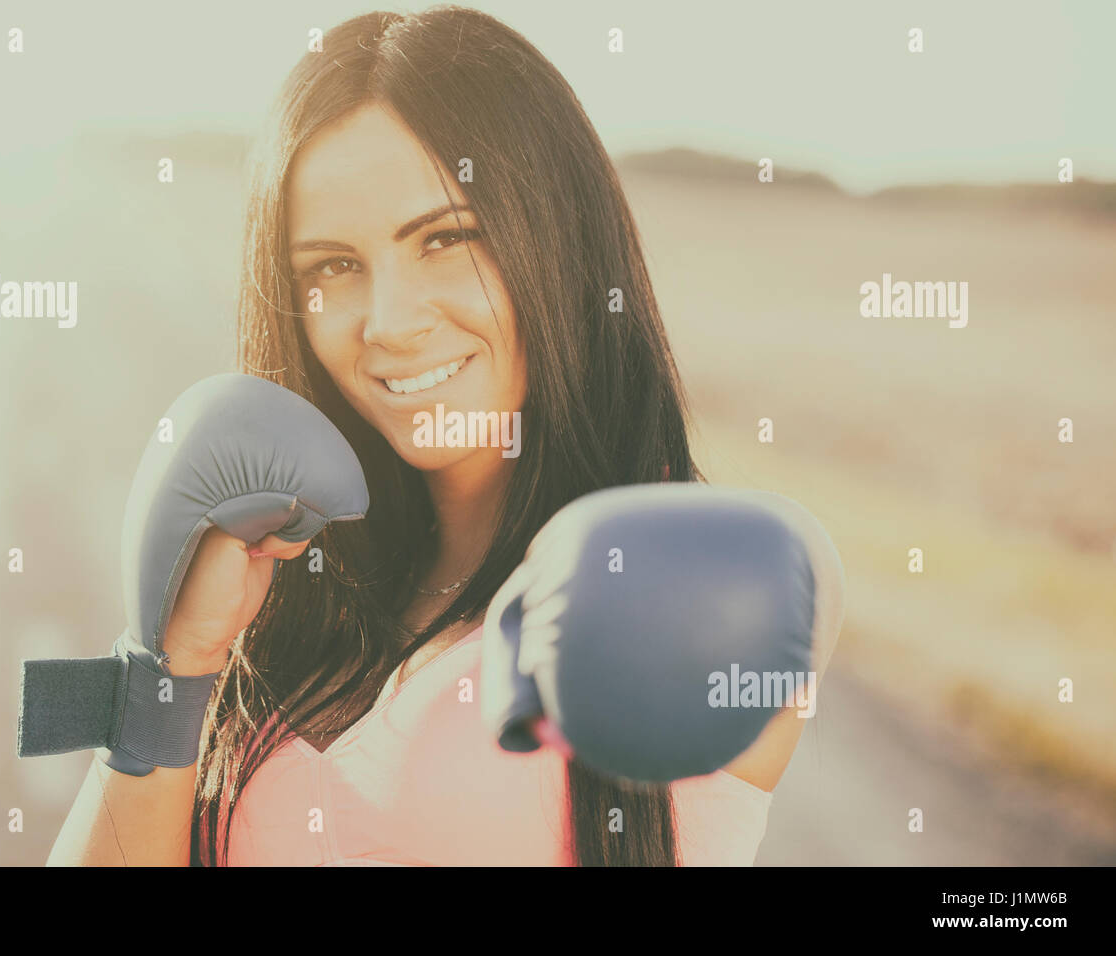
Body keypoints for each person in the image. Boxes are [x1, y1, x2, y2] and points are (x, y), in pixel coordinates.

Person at [47, 5, 844, 867]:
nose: (387, 323)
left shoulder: (650, 584)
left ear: (560, 238)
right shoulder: (286, 595)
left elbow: (786, 570)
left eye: (446, 238)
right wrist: (172, 667)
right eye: (333, 267)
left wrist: (779, 555)